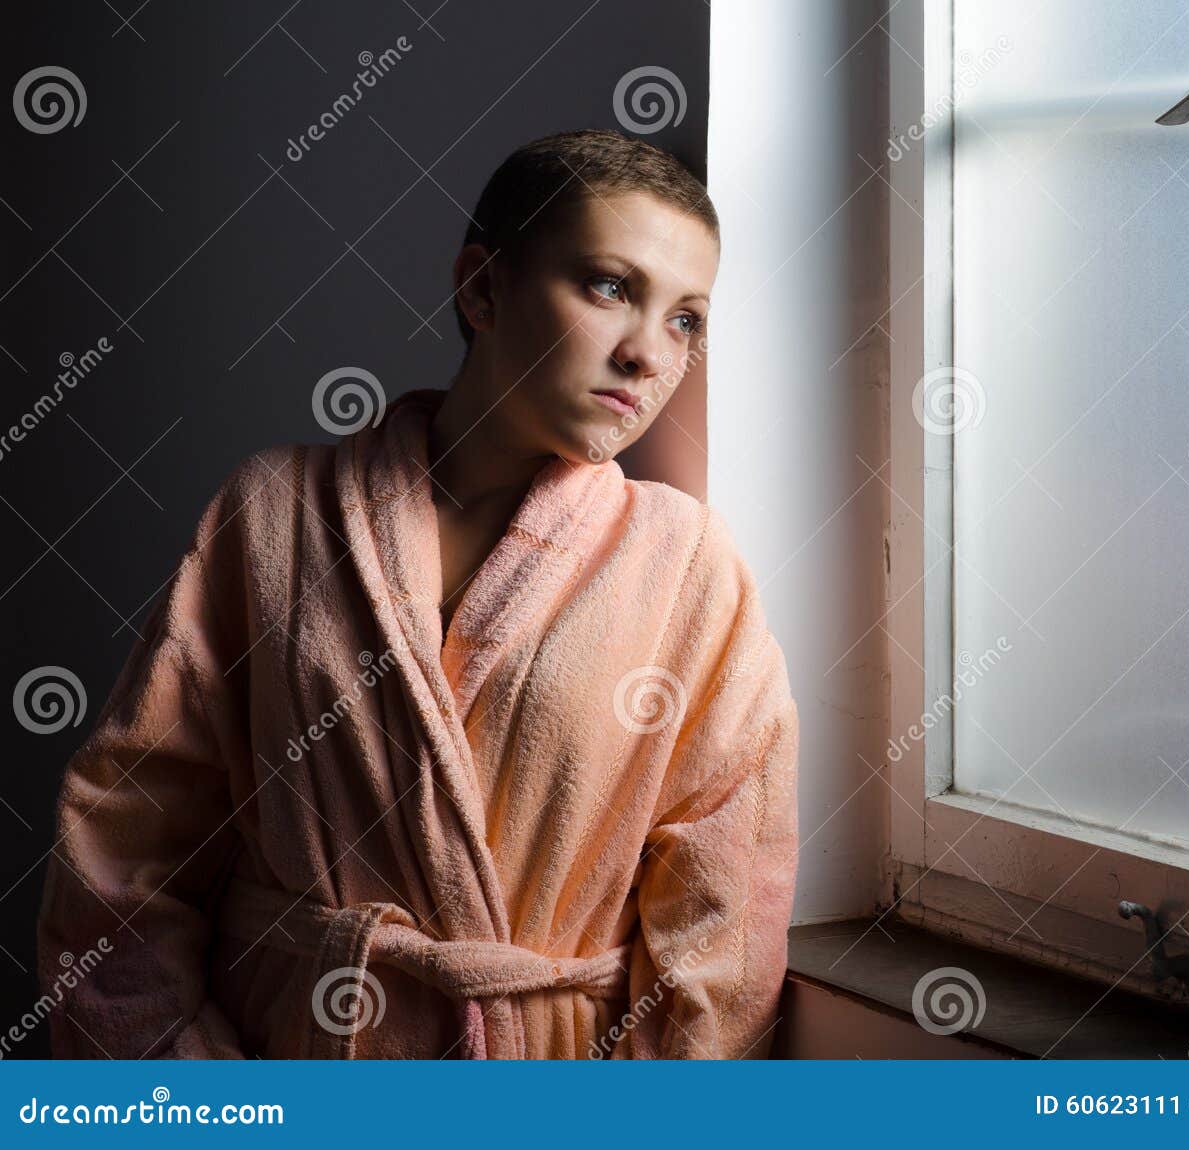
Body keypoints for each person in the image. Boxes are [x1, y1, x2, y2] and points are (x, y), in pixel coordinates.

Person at [36, 129, 800, 1059]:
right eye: (610, 286)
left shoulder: (685, 563)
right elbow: (126, 838)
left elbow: (726, 912)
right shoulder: (274, 512)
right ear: (482, 287)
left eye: (687, 318)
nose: (649, 351)